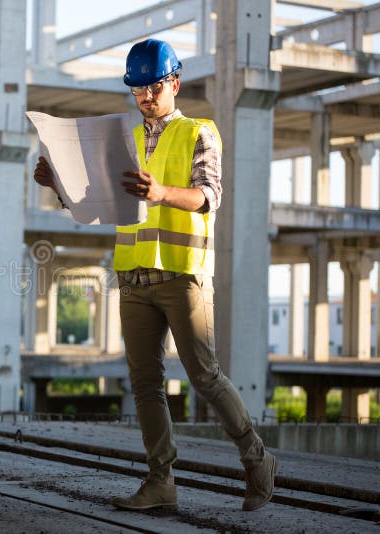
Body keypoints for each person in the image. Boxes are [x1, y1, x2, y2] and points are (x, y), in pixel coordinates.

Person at [32, 38, 276, 512]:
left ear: (175, 83)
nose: (146, 96)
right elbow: (97, 204)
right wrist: (57, 186)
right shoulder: (122, 141)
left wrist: (162, 192)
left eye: (155, 86)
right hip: (133, 276)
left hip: (182, 275)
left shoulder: (199, 133)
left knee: (204, 375)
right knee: (145, 383)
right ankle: (160, 482)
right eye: (138, 89)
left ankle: (257, 459)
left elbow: (209, 196)